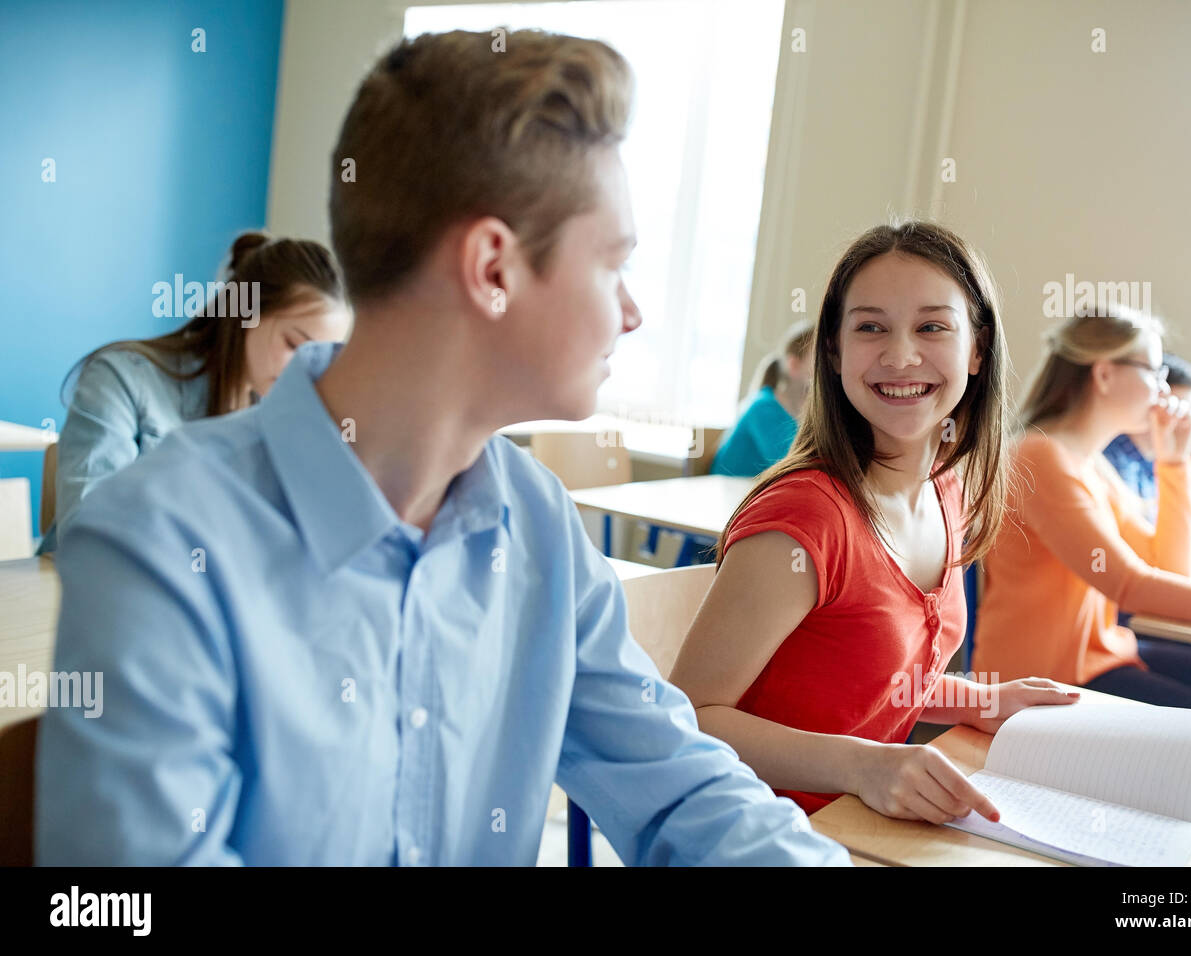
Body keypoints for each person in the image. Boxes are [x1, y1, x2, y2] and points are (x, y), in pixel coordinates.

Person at [36, 29, 851, 866]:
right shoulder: (164, 538)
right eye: (614, 265)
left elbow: (680, 784)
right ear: (493, 268)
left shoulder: (538, 526)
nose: (633, 313)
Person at [669, 221, 1079, 825]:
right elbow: (688, 719)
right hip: (751, 836)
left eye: (932, 326)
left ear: (977, 348)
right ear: (832, 351)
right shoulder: (803, 518)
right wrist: (863, 766)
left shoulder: (947, 489)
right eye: (870, 327)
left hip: (858, 828)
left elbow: (861, 681)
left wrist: (980, 701)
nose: (900, 355)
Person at [972, 306, 1191, 733]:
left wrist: (1174, 461)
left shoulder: (1088, 462)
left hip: (1100, 659)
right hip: (1045, 684)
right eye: (1154, 371)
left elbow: (1169, 567)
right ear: (1104, 374)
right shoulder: (1039, 457)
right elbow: (1129, 586)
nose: (1164, 390)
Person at [38, 232, 351, 552]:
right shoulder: (121, 379)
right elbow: (89, 537)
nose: (304, 373)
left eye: (319, 359)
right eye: (294, 345)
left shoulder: (280, 420)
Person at [1103, 352, 1191, 524]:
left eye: (1190, 412)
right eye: (1177, 409)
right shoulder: (1110, 460)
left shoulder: (1156, 464)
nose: (1185, 422)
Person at [711, 320, 814, 477]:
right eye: (818, 358)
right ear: (793, 365)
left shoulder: (795, 415)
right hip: (730, 494)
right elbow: (795, 467)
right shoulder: (763, 408)